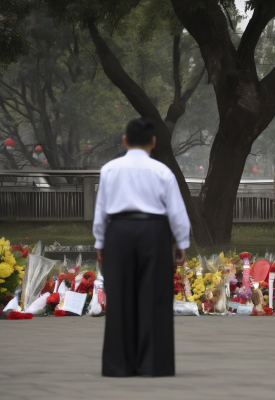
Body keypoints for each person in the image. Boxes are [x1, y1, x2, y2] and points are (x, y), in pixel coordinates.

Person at [93, 117, 191, 378]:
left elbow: (101, 210)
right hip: (153, 232)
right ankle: (153, 364)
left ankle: (118, 365)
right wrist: (181, 242)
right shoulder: (162, 171)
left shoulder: (109, 170)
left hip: (119, 232)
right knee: (155, 297)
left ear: (125, 141)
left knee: (119, 298)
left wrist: (100, 241)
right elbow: (176, 211)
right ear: (153, 142)